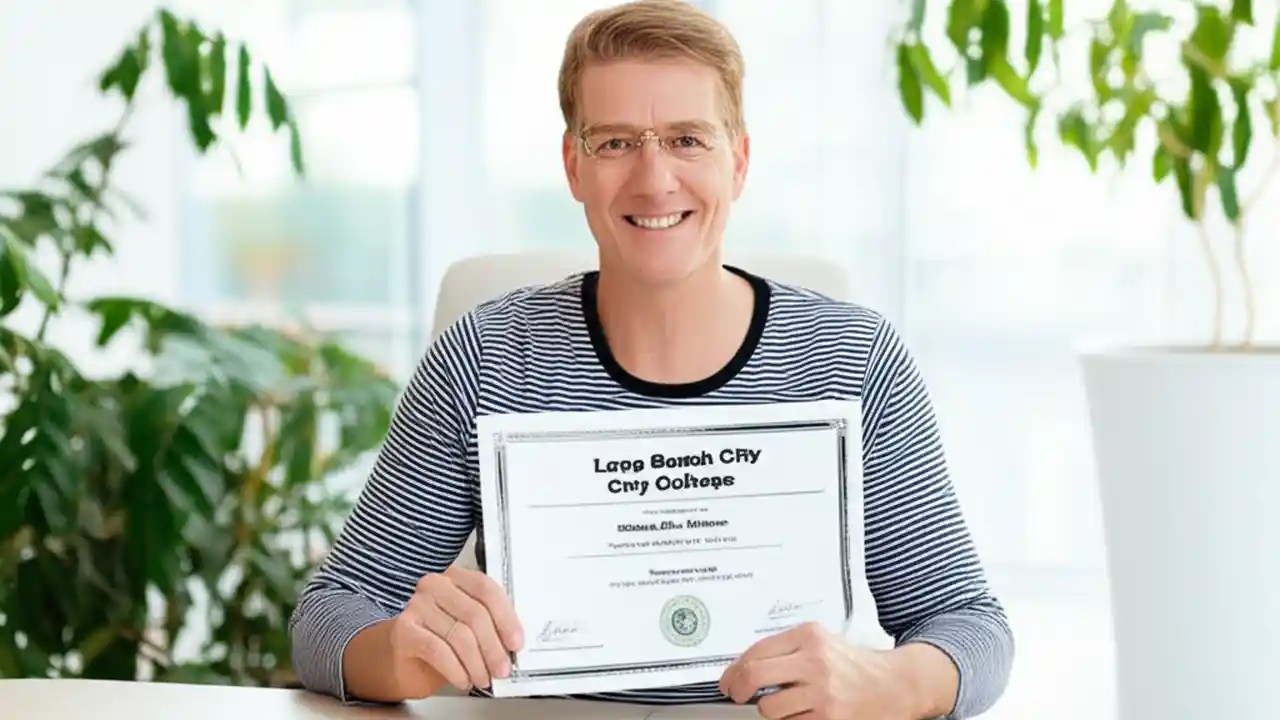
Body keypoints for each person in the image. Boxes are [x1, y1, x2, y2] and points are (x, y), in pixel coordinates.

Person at [289, 1, 1014, 718]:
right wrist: (404, 653)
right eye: (614, 143)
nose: (654, 178)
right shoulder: (485, 359)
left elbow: (969, 626)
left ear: (739, 161)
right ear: (573, 166)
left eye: (687, 139)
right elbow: (328, 616)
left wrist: (891, 683)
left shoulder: (853, 360)